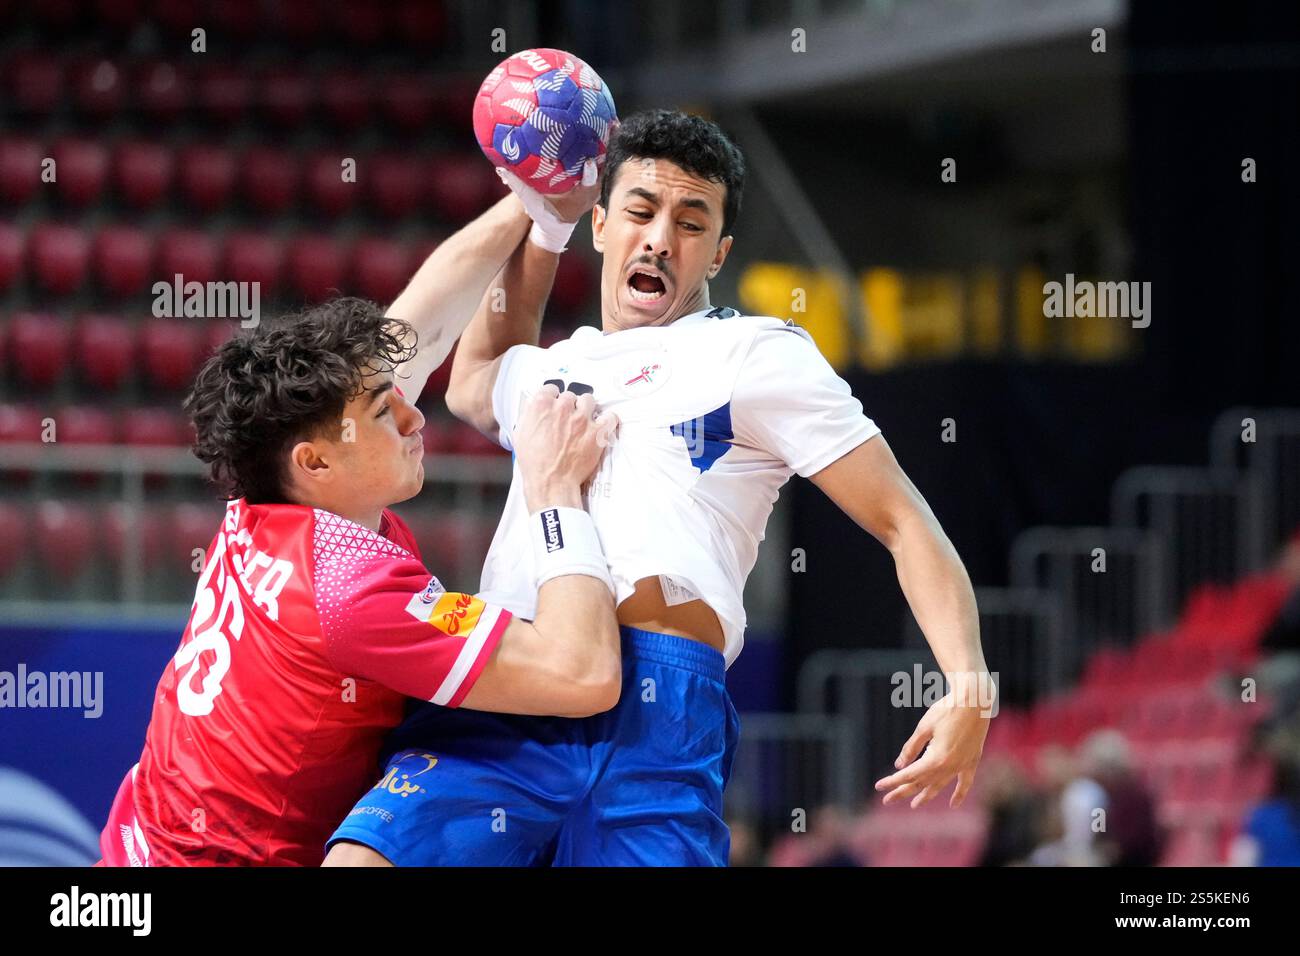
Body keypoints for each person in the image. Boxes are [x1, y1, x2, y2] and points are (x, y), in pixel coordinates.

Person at [327, 109, 991, 867]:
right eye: (641, 211)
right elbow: (475, 379)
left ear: (719, 252)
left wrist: (968, 678)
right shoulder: (552, 366)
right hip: (516, 678)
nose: (660, 238)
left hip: (659, 703)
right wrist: (545, 222)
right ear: (602, 225)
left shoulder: (755, 353)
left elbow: (904, 519)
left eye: (691, 222)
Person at [97, 193, 621, 866]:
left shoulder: (266, 496)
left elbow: (419, 327)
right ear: (314, 461)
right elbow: (584, 674)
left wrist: (535, 203)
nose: (416, 418)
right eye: (384, 411)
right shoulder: (352, 591)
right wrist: (553, 490)